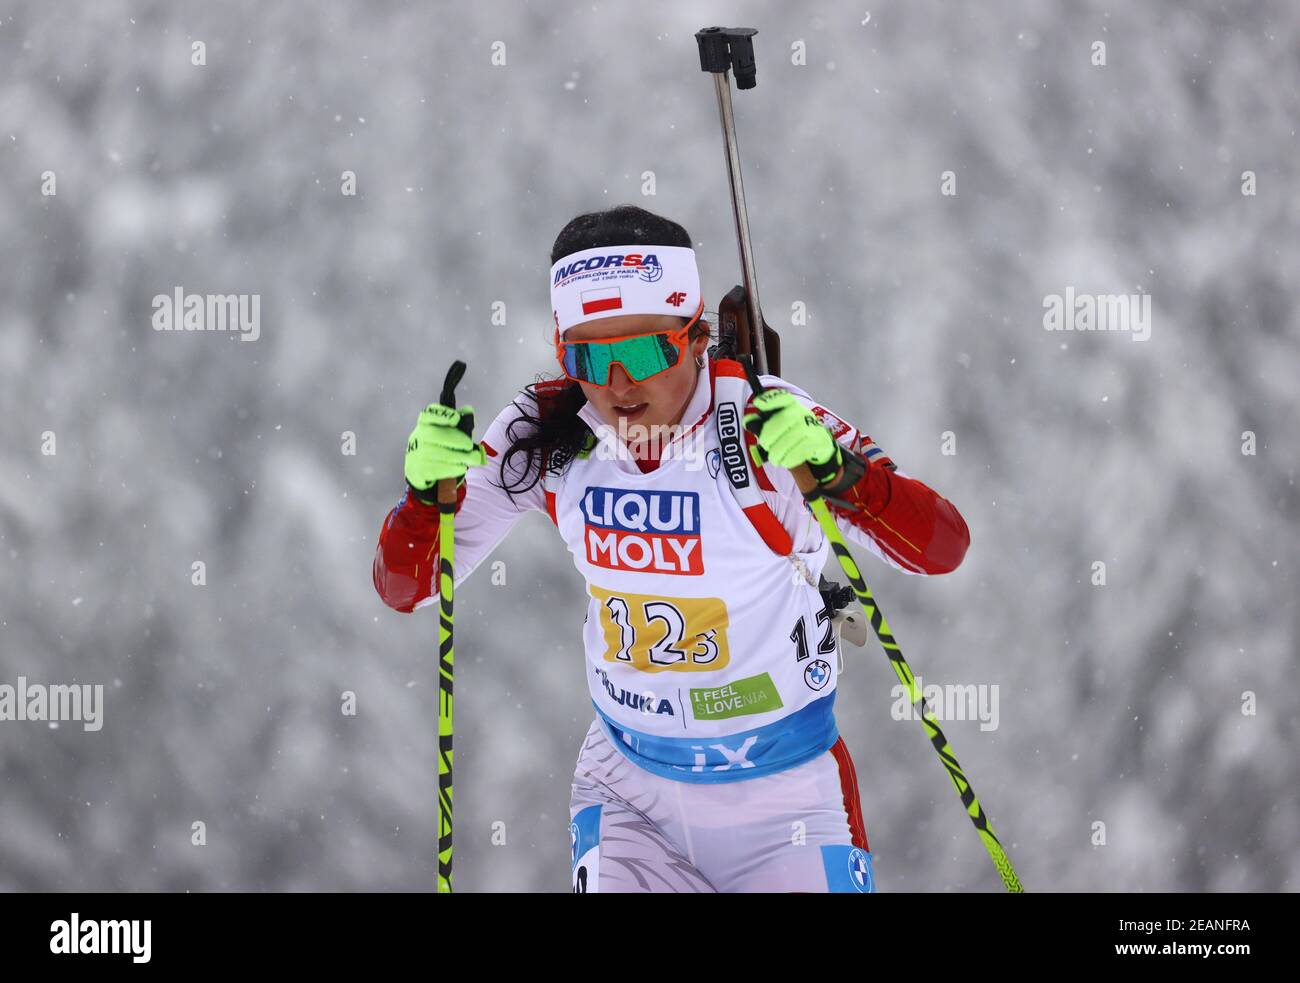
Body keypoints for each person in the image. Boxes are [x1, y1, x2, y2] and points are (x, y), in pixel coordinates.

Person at [373, 204, 970, 892]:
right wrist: (425, 500)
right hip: (630, 793)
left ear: (695, 338)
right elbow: (405, 587)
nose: (618, 384)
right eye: (588, 357)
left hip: (786, 802)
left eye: (644, 350)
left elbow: (942, 545)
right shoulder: (549, 428)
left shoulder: (761, 421)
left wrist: (841, 473)